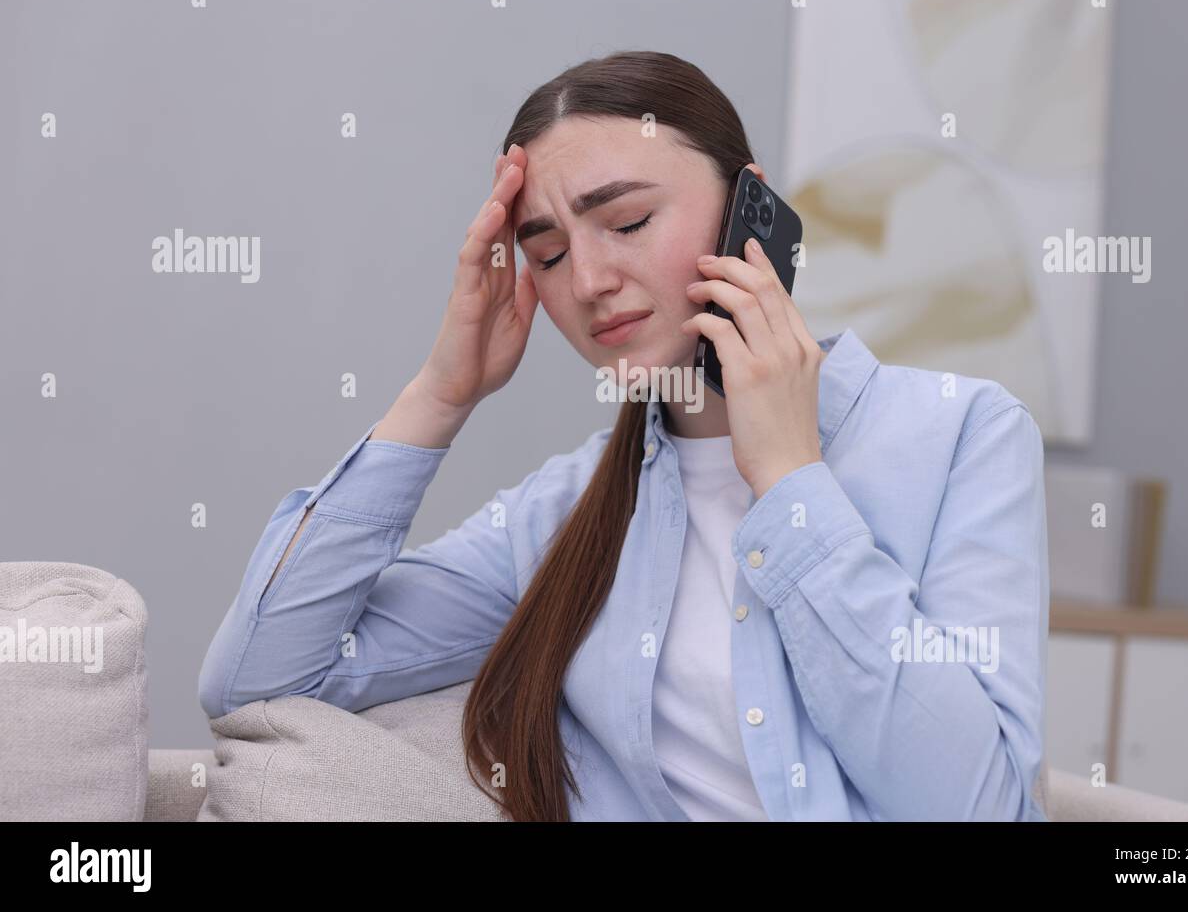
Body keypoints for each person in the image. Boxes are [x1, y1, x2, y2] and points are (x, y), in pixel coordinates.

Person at [198, 50, 1049, 822]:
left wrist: (790, 481)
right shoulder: (561, 520)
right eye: (550, 252)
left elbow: (981, 809)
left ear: (748, 207)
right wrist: (441, 393)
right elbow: (264, 675)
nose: (592, 281)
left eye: (629, 221)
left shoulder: (962, 436)